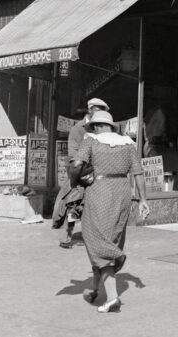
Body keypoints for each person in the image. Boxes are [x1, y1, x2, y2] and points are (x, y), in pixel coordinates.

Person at [70, 110, 150, 313]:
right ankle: (94, 288)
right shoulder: (127, 144)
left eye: (93, 126)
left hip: (100, 190)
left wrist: (74, 182)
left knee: (97, 240)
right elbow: (138, 173)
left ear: (97, 126)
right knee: (110, 238)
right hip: (122, 192)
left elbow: (77, 164)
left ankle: (113, 298)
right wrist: (143, 200)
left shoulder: (90, 141)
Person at [52, 98, 109, 249]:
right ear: (90, 110)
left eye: (102, 111)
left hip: (97, 173)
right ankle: (66, 238)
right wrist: (80, 172)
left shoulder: (102, 128)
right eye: (98, 110)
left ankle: (94, 238)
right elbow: (73, 155)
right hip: (80, 172)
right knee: (72, 204)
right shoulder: (78, 129)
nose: (100, 113)